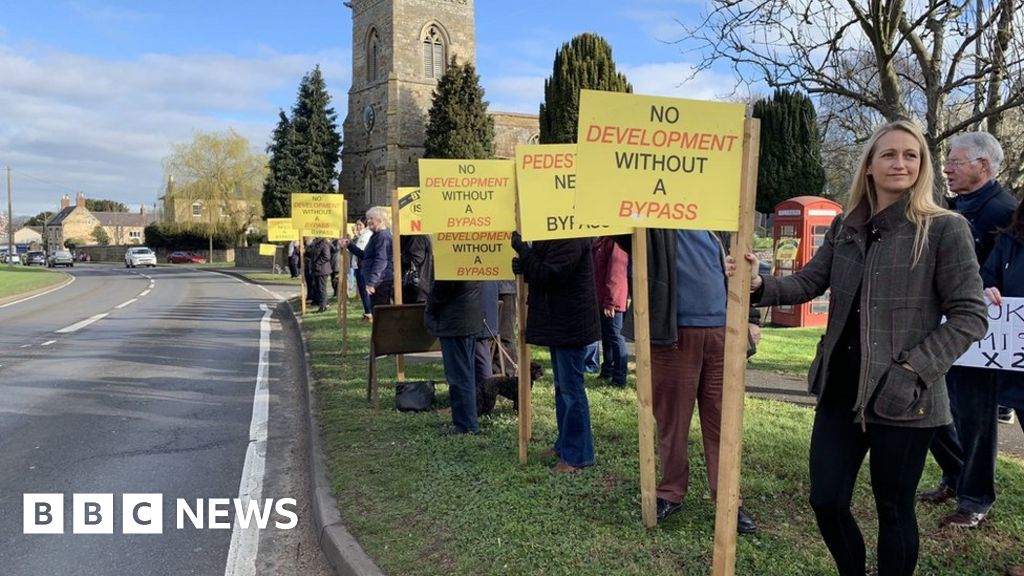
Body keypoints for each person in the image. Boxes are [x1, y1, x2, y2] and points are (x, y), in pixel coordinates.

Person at [745, 119, 987, 575]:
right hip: (841, 388)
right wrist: (759, 284)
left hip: (906, 397)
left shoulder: (943, 229)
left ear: (922, 166)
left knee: (894, 509)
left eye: (911, 155)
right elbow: (807, 282)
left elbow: (970, 316)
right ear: (870, 166)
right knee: (826, 499)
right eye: (889, 154)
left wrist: (913, 370)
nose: (901, 163)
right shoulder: (846, 226)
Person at [618, 228, 759, 534]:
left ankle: (728, 499)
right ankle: (671, 491)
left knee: (723, 422)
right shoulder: (651, 222)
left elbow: (744, 261)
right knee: (672, 421)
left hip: (723, 332)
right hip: (672, 334)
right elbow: (618, 229)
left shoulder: (720, 216)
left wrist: (753, 317)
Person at [919, 130, 1017, 529]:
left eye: (955, 162)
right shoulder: (952, 207)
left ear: (983, 165)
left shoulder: (1003, 212)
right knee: (932, 406)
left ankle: (975, 499)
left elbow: (1003, 273)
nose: (946, 169)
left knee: (975, 418)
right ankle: (955, 476)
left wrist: (989, 288)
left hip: (982, 333)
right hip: (941, 326)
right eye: (947, 162)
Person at [511, 232, 600, 473]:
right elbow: (543, 269)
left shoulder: (569, 236)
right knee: (563, 389)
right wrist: (526, 265)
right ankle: (565, 445)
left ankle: (578, 455)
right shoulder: (555, 234)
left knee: (571, 390)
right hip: (561, 322)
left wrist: (524, 252)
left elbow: (550, 275)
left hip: (570, 323)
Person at [425, 278, 482, 435]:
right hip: (467, 317)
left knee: (460, 378)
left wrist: (430, 304)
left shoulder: (450, 266)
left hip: (455, 321)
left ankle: (467, 426)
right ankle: (464, 422)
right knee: (465, 375)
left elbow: (442, 288)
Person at [592, 236, 629, 387]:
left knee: (615, 336)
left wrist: (611, 302)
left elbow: (616, 273)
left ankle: (620, 377)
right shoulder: (602, 241)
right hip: (603, 298)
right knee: (607, 336)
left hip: (612, 299)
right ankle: (607, 370)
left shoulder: (615, 243)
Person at [344, 206, 393, 311]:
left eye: (371, 218)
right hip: (377, 280)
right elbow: (366, 256)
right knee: (377, 311)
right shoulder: (376, 235)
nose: (369, 221)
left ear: (380, 220)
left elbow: (381, 260)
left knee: (381, 312)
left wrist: (372, 282)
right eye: (368, 218)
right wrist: (350, 245)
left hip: (380, 281)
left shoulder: (383, 236)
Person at [350, 217, 373, 320]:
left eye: (360, 225)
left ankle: (369, 312)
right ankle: (367, 312)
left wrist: (350, 245)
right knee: (362, 291)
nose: (358, 227)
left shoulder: (366, 235)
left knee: (364, 291)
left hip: (362, 266)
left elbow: (362, 252)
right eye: (357, 224)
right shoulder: (361, 235)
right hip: (358, 265)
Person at [400, 234, 433, 304]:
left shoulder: (417, 237)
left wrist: (399, 258)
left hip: (418, 284)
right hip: (423, 284)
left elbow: (416, 259)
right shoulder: (420, 236)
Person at [310, 237, 333, 313]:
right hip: (317, 270)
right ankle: (324, 304)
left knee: (321, 288)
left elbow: (327, 256)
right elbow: (312, 255)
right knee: (318, 288)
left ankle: (323, 306)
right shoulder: (316, 243)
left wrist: (317, 264)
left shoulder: (324, 243)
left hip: (322, 270)